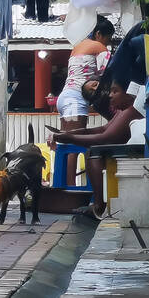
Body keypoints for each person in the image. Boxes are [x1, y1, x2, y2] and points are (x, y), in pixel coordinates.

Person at [51, 79, 145, 217]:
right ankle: (100, 204)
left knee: (94, 152)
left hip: (136, 154)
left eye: (115, 91)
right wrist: (69, 133)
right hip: (129, 151)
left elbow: (106, 137)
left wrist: (69, 138)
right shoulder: (122, 111)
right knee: (94, 151)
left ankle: (99, 206)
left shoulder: (131, 110)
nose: (110, 95)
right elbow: (102, 129)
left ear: (129, 93)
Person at [56, 15, 114, 182]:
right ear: (98, 34)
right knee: (74, 146)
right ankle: (70, 188)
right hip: (75, 99)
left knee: (66, 145)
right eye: (108, 39)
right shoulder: (98, 46)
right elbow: (108, 72)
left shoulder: (78, 46)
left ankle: (65, 186)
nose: (108, 43)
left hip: (66, 97)